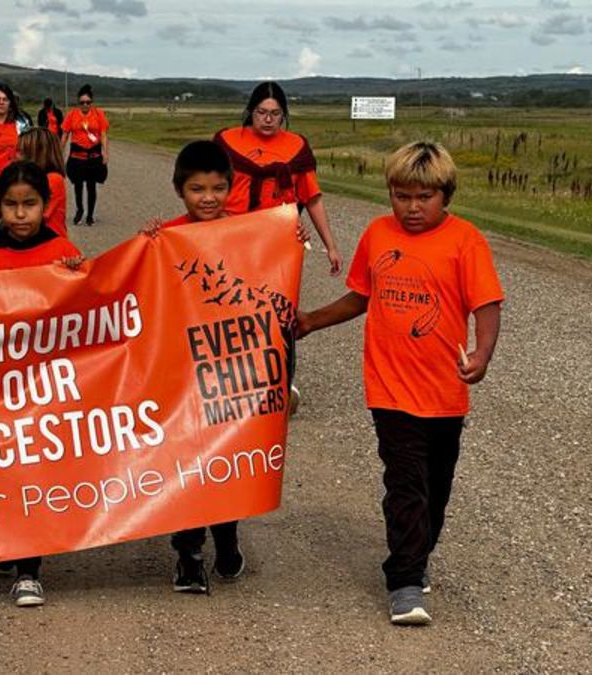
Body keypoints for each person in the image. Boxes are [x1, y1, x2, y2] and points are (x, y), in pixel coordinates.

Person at [295, 141, 503, 626]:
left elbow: (487, 303)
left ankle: (416, 554)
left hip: (445, 393)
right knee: (405, 484)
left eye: (424, 197)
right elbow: (360, 296)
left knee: (436, 486)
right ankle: (405, 582)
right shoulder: (377, 233)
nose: (411, 208)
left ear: (445, 195)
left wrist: (482, 354)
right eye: (401, 196)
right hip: (389, 389)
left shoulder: (465, 240)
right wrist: (312, 320)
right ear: (390, 194)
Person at [143, 140, 309, 594]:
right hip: (184, 375)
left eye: (218, 188)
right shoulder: (168, 237)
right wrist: (148, 244)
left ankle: (228, 535)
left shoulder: (249, 232)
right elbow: (140, 286)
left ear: (230, 188)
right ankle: (188, 555)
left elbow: (273, 275)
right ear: (180, 190)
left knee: (229, 458)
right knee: (188, 461)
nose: (208, 198)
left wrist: (288, 238)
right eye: (198, 189)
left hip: (235, 374)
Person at [0, 161, 81, 607]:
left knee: (34, 472)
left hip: (43, 389)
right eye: (10, 205)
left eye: (30, 204)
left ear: (45, 207)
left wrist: (77, 276)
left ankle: (30, 570)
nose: (21, 214)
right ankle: (5, 539)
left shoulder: (61, 249)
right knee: (0, 471)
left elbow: (91, 314)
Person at [214, 82, 340, 275]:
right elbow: (205, 190)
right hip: (230, 234)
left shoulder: (297, 147)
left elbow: (312, 199)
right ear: (250, 111)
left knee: (273, 299)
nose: (267, 119)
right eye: (261, 112)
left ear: (284, 115)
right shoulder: (226, 142)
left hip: (279, 238)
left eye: (275, 113)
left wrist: (330, 247)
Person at [62, 84, 109, 226]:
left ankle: (90, 214)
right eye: (82, 102)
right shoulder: (72, 115)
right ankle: (80, 210)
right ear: (78, 103)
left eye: (88, 102)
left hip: (93, 156)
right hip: (77, 157)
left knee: (91, 186)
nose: (85, 105)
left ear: (92, 102)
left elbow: (103, 135)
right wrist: (59, 152)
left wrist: (105, 153)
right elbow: (64, 135)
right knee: (77, 185)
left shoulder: (98, 114)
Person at [16, 128, 68, 237]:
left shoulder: (53, 180)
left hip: (50, 242)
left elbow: (39, 215)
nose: (16, 156)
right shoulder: (32, 179)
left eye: (21, 152)